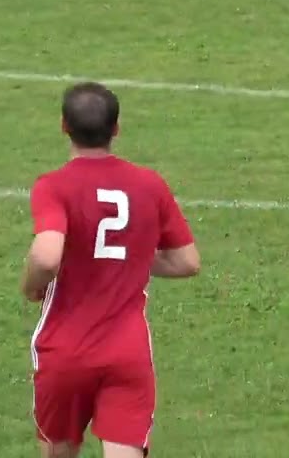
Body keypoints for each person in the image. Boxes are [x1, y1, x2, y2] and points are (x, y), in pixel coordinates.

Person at [22, 83, 200, 457]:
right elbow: (187, 261)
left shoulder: (54, 186)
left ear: (64, 126)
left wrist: (31, 285)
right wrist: (131, 256)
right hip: (127, 351)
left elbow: (47, 256)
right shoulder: (149, 184)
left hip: (65, 349)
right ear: (116, 128)